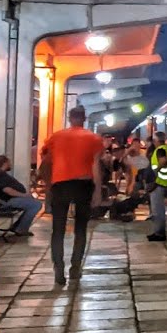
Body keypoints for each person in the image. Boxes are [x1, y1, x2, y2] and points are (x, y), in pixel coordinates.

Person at [42, 106, 105, 285]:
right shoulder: (94, 138)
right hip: (83, 185)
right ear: (84, 119)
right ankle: (75, 267)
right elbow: (95, 166)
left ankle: (58, 268)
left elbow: (46, 160)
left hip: (60, 185)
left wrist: (48, 187)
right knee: (80, 229)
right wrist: (97, 191)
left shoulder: (55, 137)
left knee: (58, 230)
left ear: (69, 118)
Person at [0, 155, 42, 236]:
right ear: (5, 163)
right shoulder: (0, 175)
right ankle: (21, 229)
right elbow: (8, 190)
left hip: (7, 200)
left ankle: (18, 226)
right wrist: (24, 195)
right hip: (6, 201)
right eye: (9, 163)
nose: (10, 165)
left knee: (32, 203)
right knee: (36, 205)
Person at [147, 132, 167, 241]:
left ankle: (159, 233)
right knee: (159, 209)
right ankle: (159, 232)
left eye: (154, 140)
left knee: (157, 210)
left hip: (158, 182)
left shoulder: (160, 150)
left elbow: (163, 161)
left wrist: (156, 170)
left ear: (156, 141)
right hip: (163, 182)